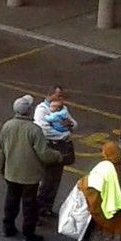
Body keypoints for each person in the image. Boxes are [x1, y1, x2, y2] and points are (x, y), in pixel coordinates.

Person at [0, 95, 60, 241]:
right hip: (30, 175)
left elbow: (0, 149)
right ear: (28, 111)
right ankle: (28, 233)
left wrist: (1, 167)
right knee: (30, 205)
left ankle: (8, 227)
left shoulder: (7, 126)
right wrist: (57, 156)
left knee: (11, 201)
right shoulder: (34, 130)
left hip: (11, 172)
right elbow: (44, 154)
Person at [32, 86, 77, 227]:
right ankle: (37, 211)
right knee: (46, 180)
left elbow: (73, 123)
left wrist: (70, 124)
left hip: (61, 147)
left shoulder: (62, 109)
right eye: (58, 97)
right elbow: (43, 129)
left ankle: (47, 207)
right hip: (49, 146)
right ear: (49, 96)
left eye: (62, 97)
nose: (61, 100)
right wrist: (63, 134)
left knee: (55, 179)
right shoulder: (42, 110)